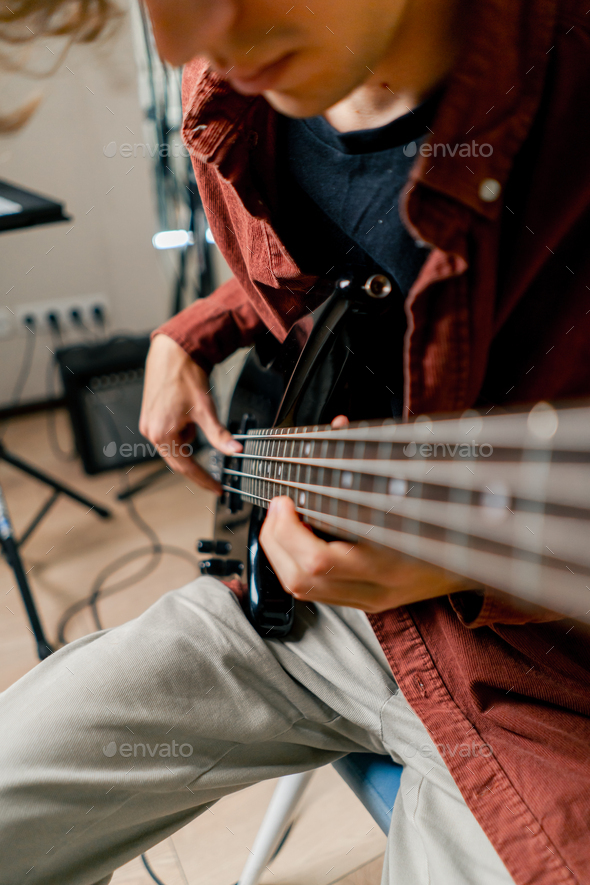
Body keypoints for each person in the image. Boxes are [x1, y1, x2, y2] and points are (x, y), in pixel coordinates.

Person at [1, 0, 589, 883]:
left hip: (549, 685)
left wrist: (481, 553)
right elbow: (367, 258)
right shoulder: (243, 96)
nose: (179, 45)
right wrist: (190, 331)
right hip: (314, 620)